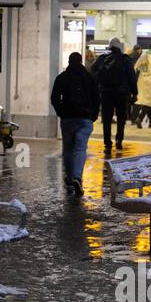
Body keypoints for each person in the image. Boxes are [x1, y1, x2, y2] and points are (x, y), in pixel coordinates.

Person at [50, 51, 99, 196]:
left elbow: (54, 98)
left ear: (69, 62)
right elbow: (97, 98)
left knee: (68, 149)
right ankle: (77, 177)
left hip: (68, 120)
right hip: (85, 119)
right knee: (80, 149)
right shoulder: (89, 78)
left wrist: (61, 112)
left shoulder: (62, 77)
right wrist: (93, 116)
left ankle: (70, 178)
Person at [91, 37, 137, 153]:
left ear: (110, 46)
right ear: (120, 47)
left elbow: (93, 72)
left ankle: (107, 144)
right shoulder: (125, 59)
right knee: (121, 118)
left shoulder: (102, 58)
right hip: (122, 93)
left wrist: (97, 89)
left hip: (106, 92)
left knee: (106, 119)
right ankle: (119, 141)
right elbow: (132, 77)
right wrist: (134, 92)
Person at [132, 51, 151, 128]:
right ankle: (140, 118)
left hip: (142, 80)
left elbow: (136, 67)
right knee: (150, 101)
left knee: (145, 100)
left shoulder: (143, 56)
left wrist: (144, 70)